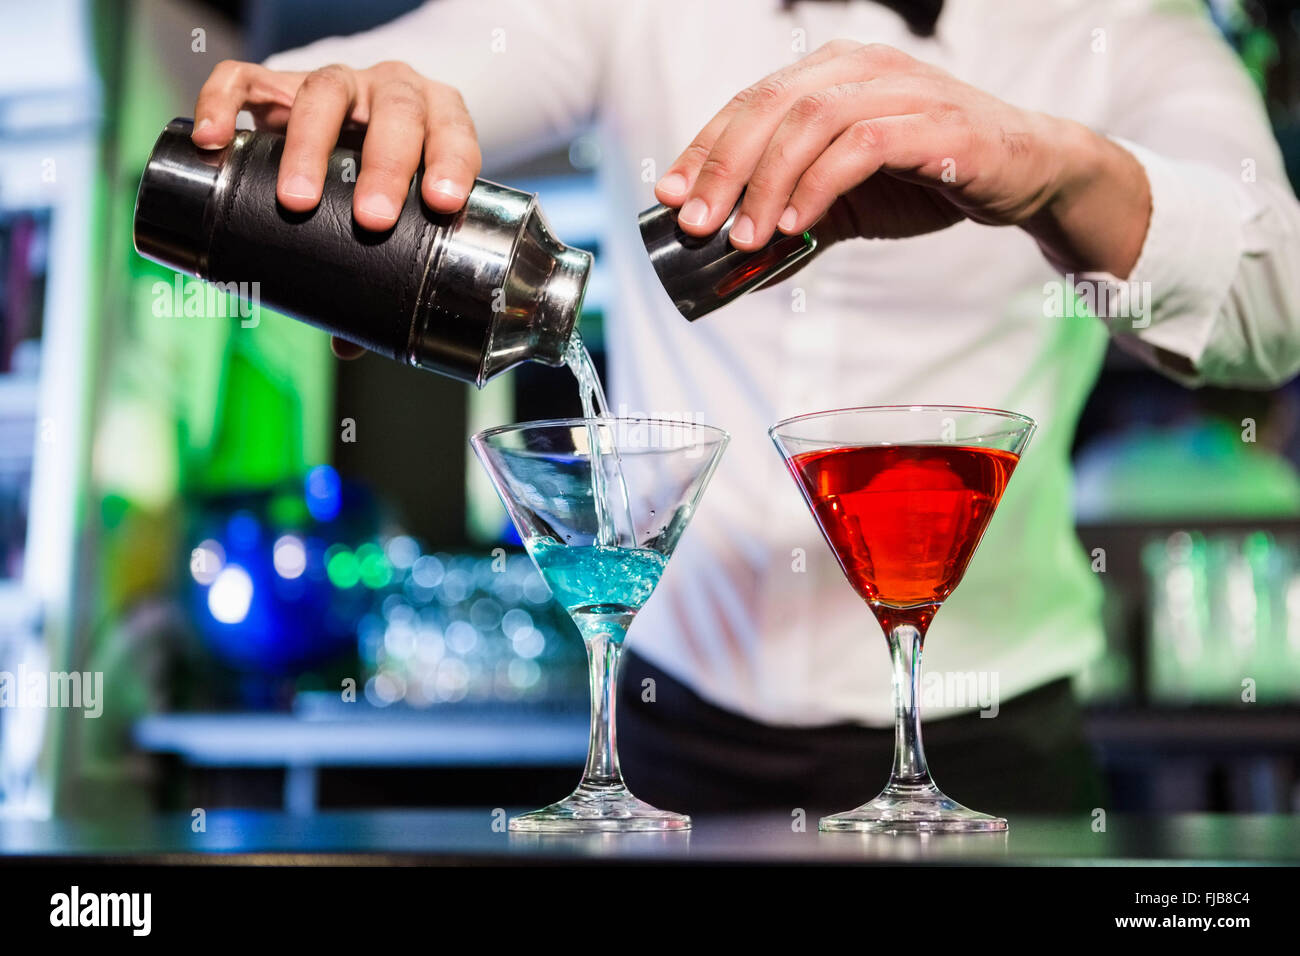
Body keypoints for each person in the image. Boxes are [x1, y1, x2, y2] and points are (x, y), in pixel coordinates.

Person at [191, 0, 1300, 814]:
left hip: (994, 734)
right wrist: (350, 104)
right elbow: (431, 60)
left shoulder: (1125, 23)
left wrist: (1056, 173)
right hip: (671, 729)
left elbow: (1272, 302)